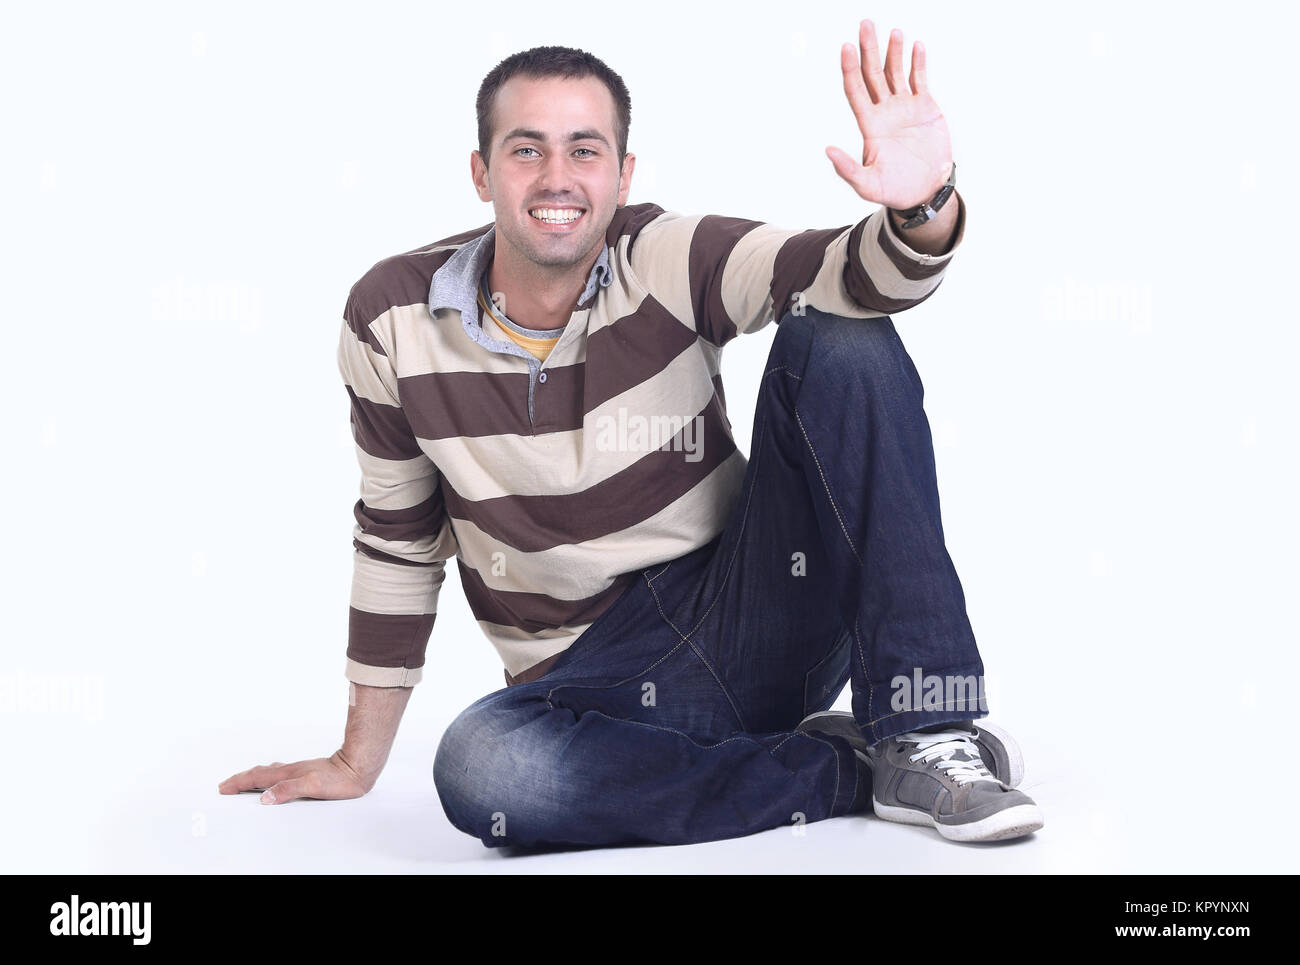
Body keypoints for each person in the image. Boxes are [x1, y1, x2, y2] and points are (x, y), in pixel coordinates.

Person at [219, 20, 1044, 848]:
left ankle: (928, 729)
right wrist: (359, 759)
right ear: (481, 173)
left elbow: (842, 273)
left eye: (585, 150)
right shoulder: (390, 319)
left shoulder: (667, 256)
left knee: (838, 330)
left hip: (752, 611)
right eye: (525, 149)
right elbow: (398, 538)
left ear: (622, 175)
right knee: (484, 765)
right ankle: (849, 770)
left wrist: (921, 208)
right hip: (589, 680)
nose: (557, 177)